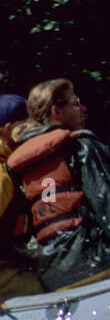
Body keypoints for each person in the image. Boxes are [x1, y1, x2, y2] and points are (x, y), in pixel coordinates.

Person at [6, 80, 110, 291]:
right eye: (76, 103)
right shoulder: (82, 145)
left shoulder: (18, 163)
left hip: (53, 274)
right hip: (96, 261)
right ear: (57, 111)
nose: (84, 108)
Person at [0, 94, 43, 300]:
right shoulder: (2, 176)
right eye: (28, 127)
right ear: (9, 130)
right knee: (34, 289)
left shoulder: (10, 169)